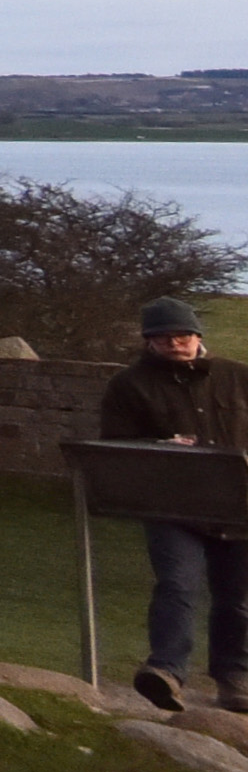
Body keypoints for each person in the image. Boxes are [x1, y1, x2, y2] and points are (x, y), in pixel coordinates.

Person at [101, 296, 248, 713]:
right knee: (177, 585)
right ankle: (166, 672)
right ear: (148, 342)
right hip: (173, 505)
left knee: (237, 598)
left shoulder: (238, 377)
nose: (173, 343)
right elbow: (113, 446)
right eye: (162, 337)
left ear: (198, 336)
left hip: (239, 505)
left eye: (181, 334)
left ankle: (235, 679)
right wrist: (157, 447)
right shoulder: (128, 386)